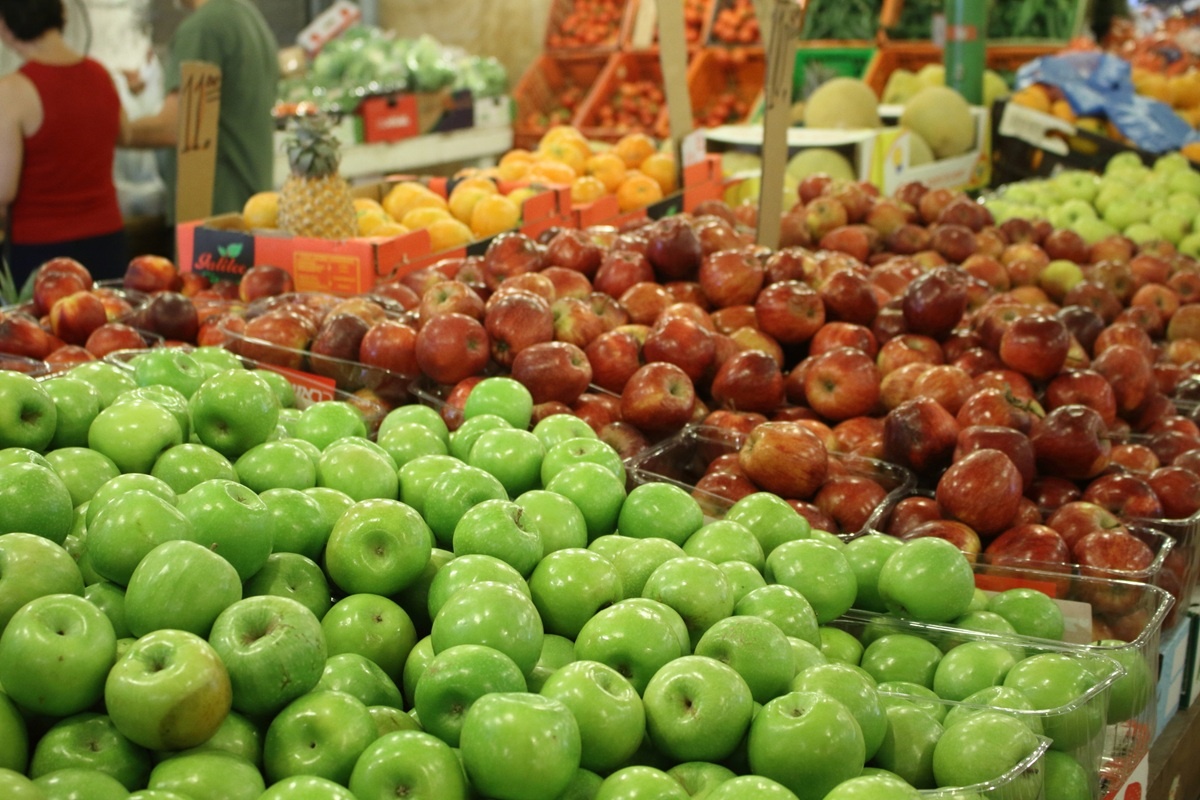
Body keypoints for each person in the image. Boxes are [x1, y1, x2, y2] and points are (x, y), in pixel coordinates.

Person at [0, 0, 128, 289]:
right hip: (108, 242)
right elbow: (125, 134)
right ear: (62, 16)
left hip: (43, 254)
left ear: (5, 27)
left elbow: (3, 189)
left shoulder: (12, 91)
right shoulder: (101, 75)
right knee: (109, 329)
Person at [124, 0, 279, 225]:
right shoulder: (249, 17)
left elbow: (174, 127)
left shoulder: (202, 28)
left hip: (213, 210)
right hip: (250, 206)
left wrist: (107, 130)